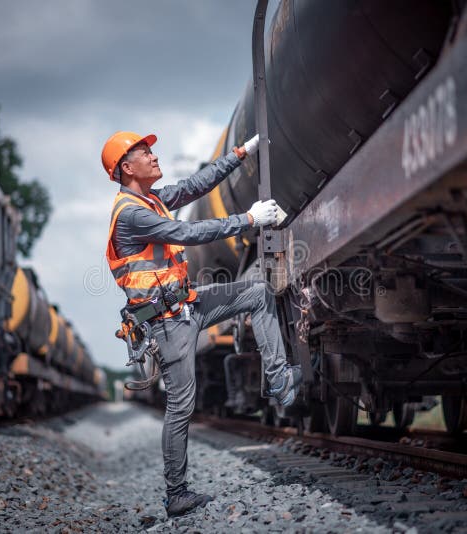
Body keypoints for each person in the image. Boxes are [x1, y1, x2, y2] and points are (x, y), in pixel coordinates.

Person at [102, 130, 301, 517]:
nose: (155, 156)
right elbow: (187, 233)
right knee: (180, 406)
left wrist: (241, 153)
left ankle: (280, 381)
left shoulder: (153, 198)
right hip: (166, 324)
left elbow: (197, 184)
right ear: (127, 168)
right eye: (146, 153)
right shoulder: (131, 213)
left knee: (257, 293)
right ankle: (177, 494)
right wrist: (249, 219)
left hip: (189, 305)